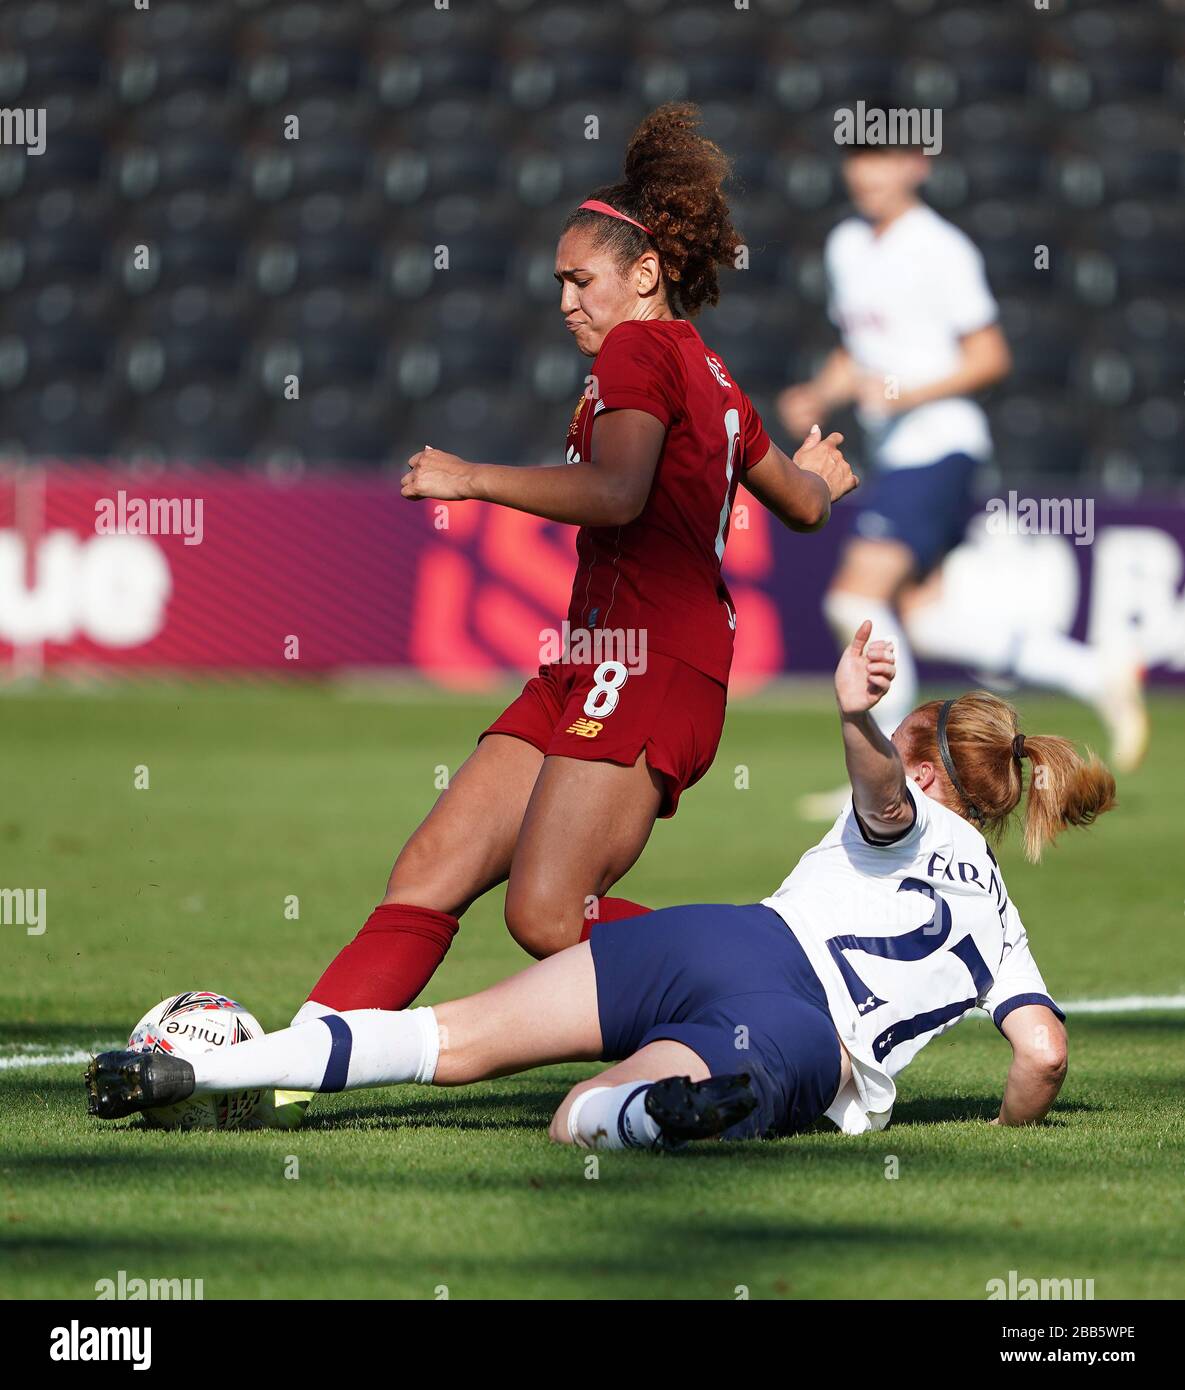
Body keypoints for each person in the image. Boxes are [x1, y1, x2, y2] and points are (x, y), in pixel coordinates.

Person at [87, 621, 1116, 1147]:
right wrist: (1002, 1135)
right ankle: (652, 1115)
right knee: (580, 1113)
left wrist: (854, 721)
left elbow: (885, 803)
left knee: (451, 1039)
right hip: (809, 1039)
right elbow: (1043, 1052)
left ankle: (200, 1072)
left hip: (722, 938)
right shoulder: (1001, 922)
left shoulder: (903, 807)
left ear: (932, 768)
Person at [290, 102, 855, 1050]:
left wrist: (470, 478)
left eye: (580, 279)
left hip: (650, 663)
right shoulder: (708, 371)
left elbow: (618, 492)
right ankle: (295, 1063)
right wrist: (822, 482)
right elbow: (796, 504)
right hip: (596, 660)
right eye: (558, 282)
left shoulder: (640, 350)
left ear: (643, 277)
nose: (565, 301)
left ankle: (777, 993)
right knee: (431, 868)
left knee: (548, 916)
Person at [780, 130, 1144, 814]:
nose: (868, 174)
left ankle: (886, 768)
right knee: (926, 621)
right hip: (899, 454)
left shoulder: (939, 248)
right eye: (858, 158)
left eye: (883, 157)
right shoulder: (845, 246)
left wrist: (901, 393)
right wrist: (820, 393)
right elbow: (853, 350)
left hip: (939, 445)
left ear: (915, 164)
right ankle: (1092, 669)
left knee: (850, 596)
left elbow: (989, 355)